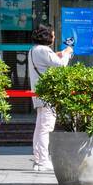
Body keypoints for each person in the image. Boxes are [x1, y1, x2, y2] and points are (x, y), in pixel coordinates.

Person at [28, 24, 73, 174]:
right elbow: (61, 65)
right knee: (46, 128)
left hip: (39, 93)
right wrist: (66, 53)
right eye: (52, 35)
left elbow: (49, 61)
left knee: (40, 127)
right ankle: (43, 161)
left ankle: (38, 159)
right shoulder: (44, 50)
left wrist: (59, 53)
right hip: (47, 94)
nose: (54, 38)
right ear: (47, 36)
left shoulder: (34, 50)